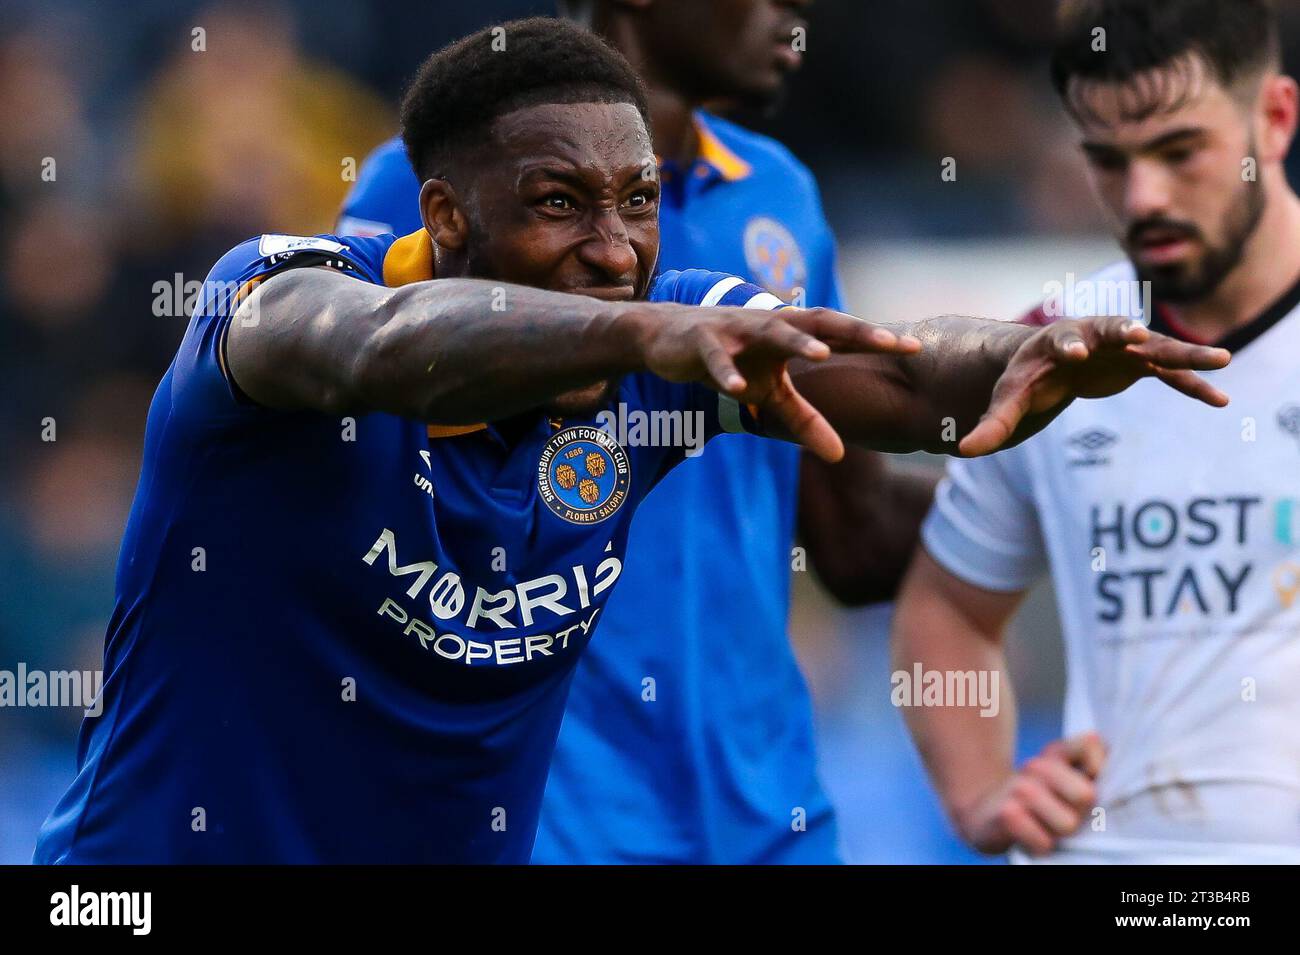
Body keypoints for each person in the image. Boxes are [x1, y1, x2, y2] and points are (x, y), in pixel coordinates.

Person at [34, 17, 1228, 864]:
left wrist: (1020, 355)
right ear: (443, 215)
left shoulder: (668, 341)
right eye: (561, 204)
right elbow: (372, 346)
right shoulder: (278, 302)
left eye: (640, 203)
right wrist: (643, 337)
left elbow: (883, 366)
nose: (615, 248)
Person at [339, 0, 930, 865]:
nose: (796, 12)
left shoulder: (782, 194)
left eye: (637, 203)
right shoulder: (432, 177)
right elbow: (340, 410)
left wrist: (1052, 496)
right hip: (555, 815)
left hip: (769, 814)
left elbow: (849, 529)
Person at [893, 0, 1300, 863]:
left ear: (1275, 117)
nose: (1144, 196)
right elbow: (946, 607)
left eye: (1180, 151)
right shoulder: (1054, 349)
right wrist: (979, 797)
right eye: (1108, 161)